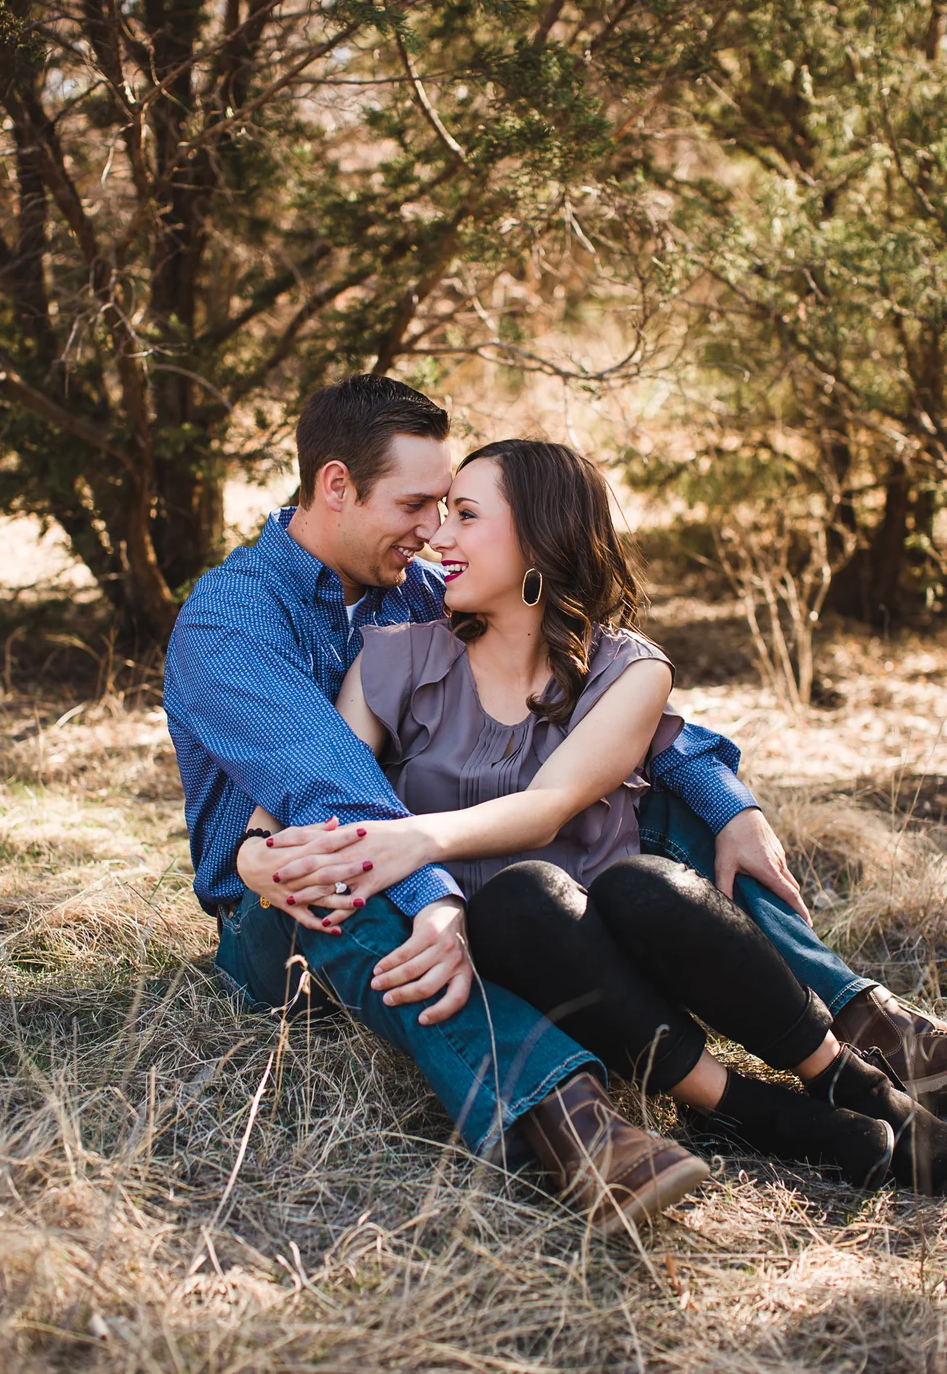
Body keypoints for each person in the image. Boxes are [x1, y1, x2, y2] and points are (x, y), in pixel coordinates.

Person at [225, 377, 947, 1111]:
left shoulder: (575, 648)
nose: (434, 535)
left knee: (670, 830)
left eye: (457, 513)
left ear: (539, 540)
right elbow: (321, 778)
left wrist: (736, 808)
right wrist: (259, 847)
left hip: (543, 918)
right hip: (396, 923)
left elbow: (605, 756)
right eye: (427, 510)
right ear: (337, 486)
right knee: (468, 892)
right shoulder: (324, 638)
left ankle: (861, 1038)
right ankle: (714, 1106)